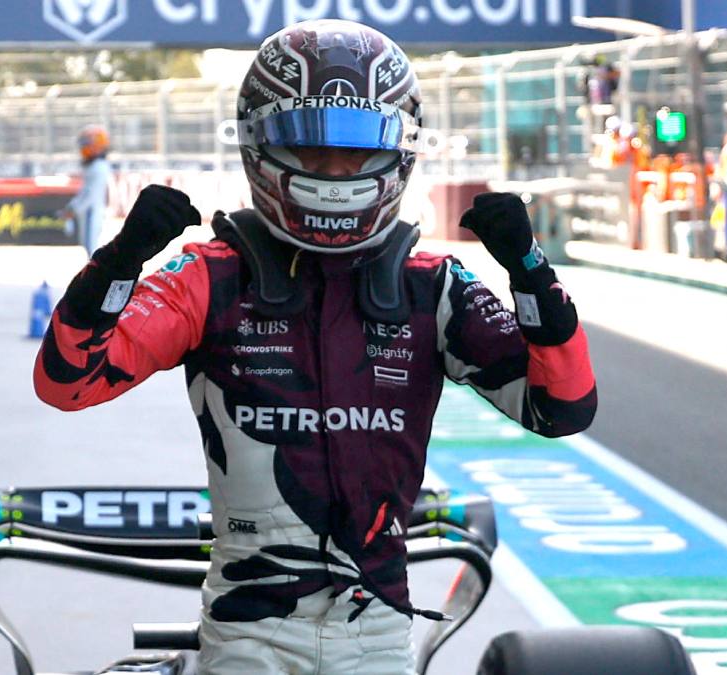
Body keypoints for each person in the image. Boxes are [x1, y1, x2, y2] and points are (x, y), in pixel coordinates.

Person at [34, 20, 596, 675]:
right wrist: (119, 262)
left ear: (400, 151)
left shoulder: (433, 288)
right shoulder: (208, 278)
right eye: (313, 149)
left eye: (356, 151)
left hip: (378, 628)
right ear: (262, 148)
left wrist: (531, 272)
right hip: (248, 632)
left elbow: (562, 407)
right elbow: (67, 382)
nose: (336, 170)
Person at [62, 124, 113, 257]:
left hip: (91, 210)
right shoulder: (95, 166)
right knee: (89, 246)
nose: (82, 149)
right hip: (90, 209)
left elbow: (89, 195)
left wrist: (73, 208)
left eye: (86, 144)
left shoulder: (98, 168)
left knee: (91, 246)